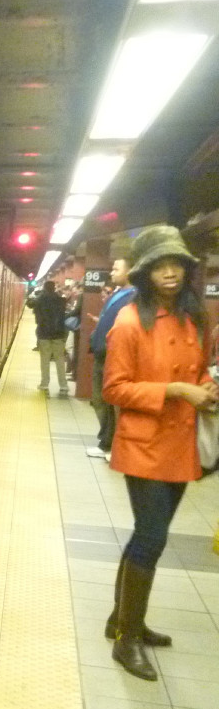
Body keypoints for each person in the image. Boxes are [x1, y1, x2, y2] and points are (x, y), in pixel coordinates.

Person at [102, 225, 219, 681]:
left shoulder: (194, 319)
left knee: (148, 536)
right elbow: (114, 388)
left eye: (178, 264)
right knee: (151, 537)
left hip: (181, 445)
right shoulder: (129, 323)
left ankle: (123, 621)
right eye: (159, 266)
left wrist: (206, 389)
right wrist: (175, 390)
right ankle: (126, 641)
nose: (170, 272)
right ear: (145, 273)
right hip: (144, 446)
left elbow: (201, 371)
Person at [85, 258, 134, 460]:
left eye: (116, 269)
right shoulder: (118, 293)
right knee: (100, 400)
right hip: (102, 355)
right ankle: (106, 441)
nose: (111, 272)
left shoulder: (134, 296)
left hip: (114, 357)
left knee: (113, 403)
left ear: (130, 272)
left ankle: (114, 446)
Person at [30, 279, 69, 396]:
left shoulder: (40, 300)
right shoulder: (61, 300)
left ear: (45, 288)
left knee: (45, 360)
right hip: (58, 334)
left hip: (44, 334)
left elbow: (30, 305)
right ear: (54, 288)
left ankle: (44, 383)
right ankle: (63, 386)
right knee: (59, 360)